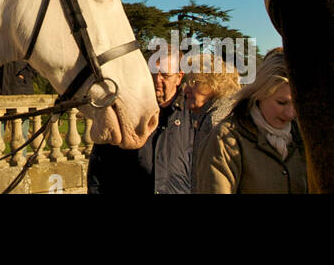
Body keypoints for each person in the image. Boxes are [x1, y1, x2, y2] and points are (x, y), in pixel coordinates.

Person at [194, 48, 308, 193]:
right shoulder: (225, 140)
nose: (290, 113)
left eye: (296, 104)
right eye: (281, 103)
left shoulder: (301, 140)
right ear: (260, 93)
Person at [87, 47, 193, 194]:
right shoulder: (124, 111)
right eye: (153, 73)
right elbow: (99, 169)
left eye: (165, 75)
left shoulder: (193, 115)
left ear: (179, 77)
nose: (157, 79)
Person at [185, 51, 241, 166]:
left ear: (214, 85)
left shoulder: (214, 121)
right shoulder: (212, 114)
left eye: (193, 83)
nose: (186, 90)